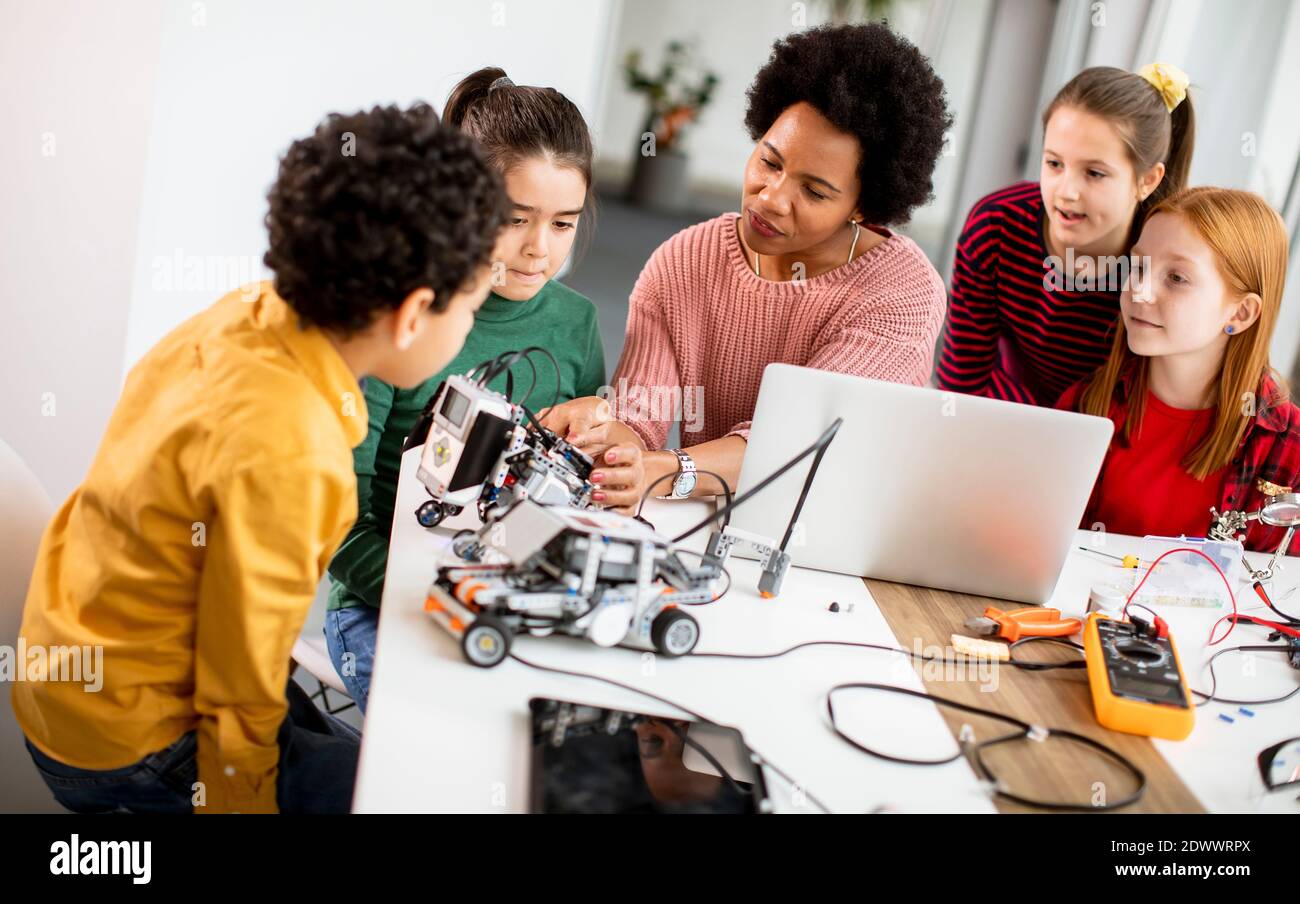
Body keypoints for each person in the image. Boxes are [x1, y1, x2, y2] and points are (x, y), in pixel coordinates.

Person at [12, 104, 509, 813]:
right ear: (411, 313)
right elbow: (237, 685)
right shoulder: (294, 453)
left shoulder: (243, 313)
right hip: (136, 747)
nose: (470, 325)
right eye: (471, 306)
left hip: (84, 673)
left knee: (366, 756)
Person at [543, 23, 951, 510]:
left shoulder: (902, 293)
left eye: (814, 191)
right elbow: (641, 417)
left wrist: (671, 470)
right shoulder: (685, 260)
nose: (772, 198)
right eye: (770, 162)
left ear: (865, 208)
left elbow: (803, 443)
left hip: (831, 528)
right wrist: (606, 434)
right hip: (716, 522)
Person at [324, 68, 605, 711]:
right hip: (382, 600)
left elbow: (576, 487)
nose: (539, 249)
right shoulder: (399, 325)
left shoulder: (577, 322)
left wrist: (603, 434)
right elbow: (335, 532)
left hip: (516, 590)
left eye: (564, 224)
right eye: (514, 220)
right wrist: (443, 589)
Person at [937, 63, 1195, 406]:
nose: (1066, 192)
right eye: (1054, 164)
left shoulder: (1164, 269)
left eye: (1094, 173)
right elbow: (961, 383)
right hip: (1000, 419)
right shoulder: (996, 226)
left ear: (1147, 180)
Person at [1057, 187, 1299, 551]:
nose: (1139, 291)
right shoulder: (1086, 405)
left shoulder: (1288, 448)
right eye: (1138, 266)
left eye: (1176, 278)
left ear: (1240, 313)